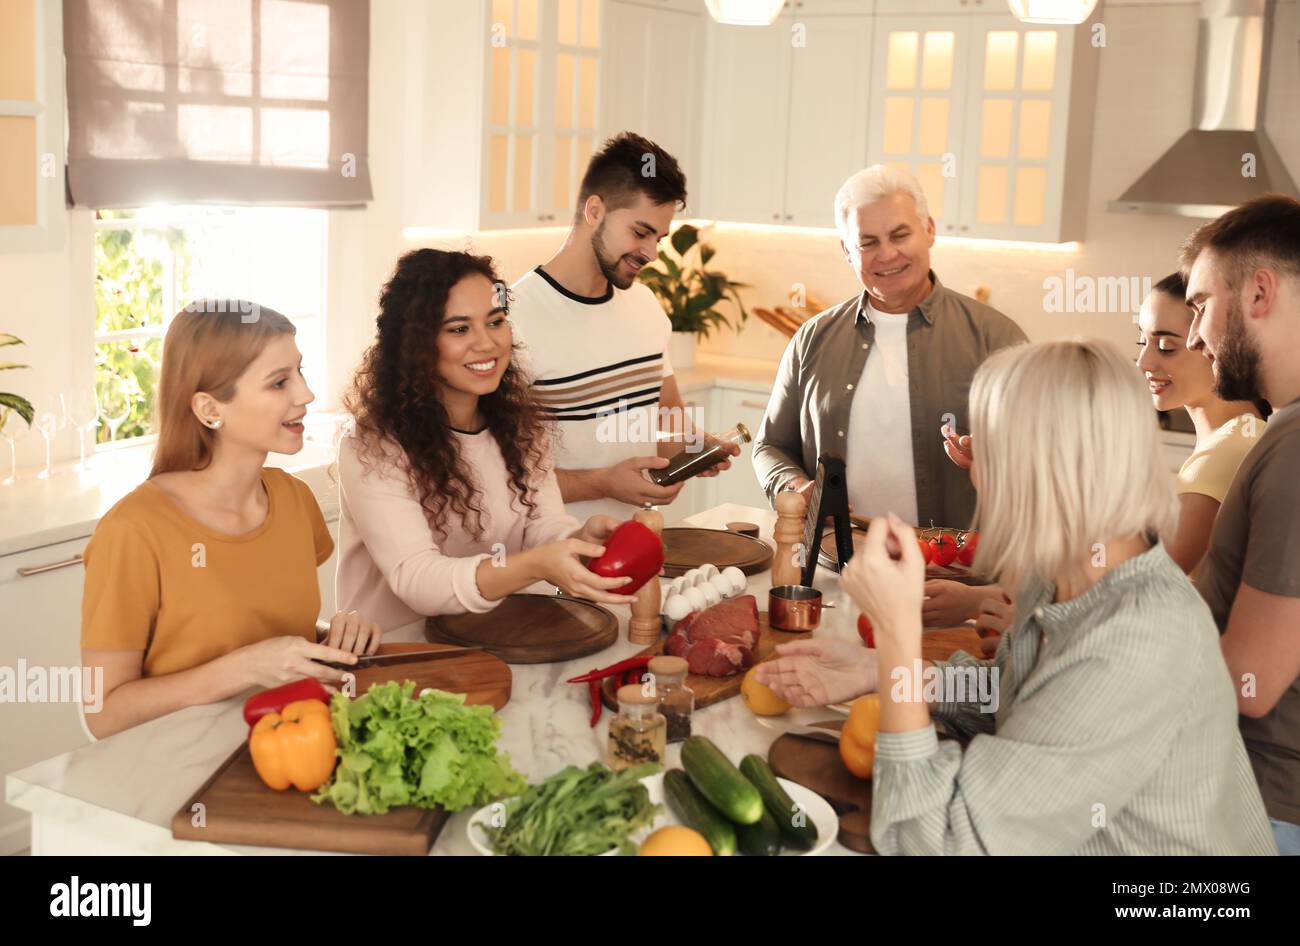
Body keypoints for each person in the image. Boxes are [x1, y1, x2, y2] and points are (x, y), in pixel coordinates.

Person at [756, 339, 1275, 855]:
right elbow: (1020, 692)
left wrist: (895, 635)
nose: (975, 472)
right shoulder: (1062, 575)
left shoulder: (1136, 643)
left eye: (991, 450)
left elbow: (938, 840)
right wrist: (883, 672)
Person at [81, 301, 379, 739]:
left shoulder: (294, 500)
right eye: (279, 382)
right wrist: (242, 669)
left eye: (299, 372)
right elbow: (102, 712)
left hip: (289, 746)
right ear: (209, 409)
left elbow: (259, 631)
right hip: (176, 771)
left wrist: (330, 637)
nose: (306, 394)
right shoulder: (133, 531)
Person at [336, 250, 639, 636]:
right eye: (459, 329)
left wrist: (578, 541)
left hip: (495, 637)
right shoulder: (373, 446)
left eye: (495, 321)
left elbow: (542, 527)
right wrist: (535, 565)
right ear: (415, 345)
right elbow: (417, 581)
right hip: (396, 654)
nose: (487, 343)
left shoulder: (519, 429)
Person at [752, 164, 1027, 533]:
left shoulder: (997, 338)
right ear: (847, 250)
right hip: (837, 556)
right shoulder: (812, 338)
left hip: (955, 572)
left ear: (929, 230)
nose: (886, 254)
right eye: (868, 242)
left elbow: (1044, 460)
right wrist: (797, 487)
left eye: (900, 235)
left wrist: (995, 457)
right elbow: (771, 446)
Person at [509, 132, 737, 522]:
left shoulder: (646, 307)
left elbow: (667, 422)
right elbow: (500, 479)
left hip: (638, 549)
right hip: (550, 564)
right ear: (594, 211)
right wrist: (602, 483)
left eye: (659, 238)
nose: (651, 253)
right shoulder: (512, 320)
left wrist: (696, 446)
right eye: (640, 232)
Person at [1182, 194, 1300, 855]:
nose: (1195, 334)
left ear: (1259, 291)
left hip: (1261, 813)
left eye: (1201, 304)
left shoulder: (1296, 447)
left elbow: (1250, 681)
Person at [1136, 271, 1266, 574]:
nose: (1143, 361)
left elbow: (1146, 587)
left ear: (1215, 344)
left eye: (1166, 346)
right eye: (1142, 341)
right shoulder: (1238, 437)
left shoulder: (1229, 451)